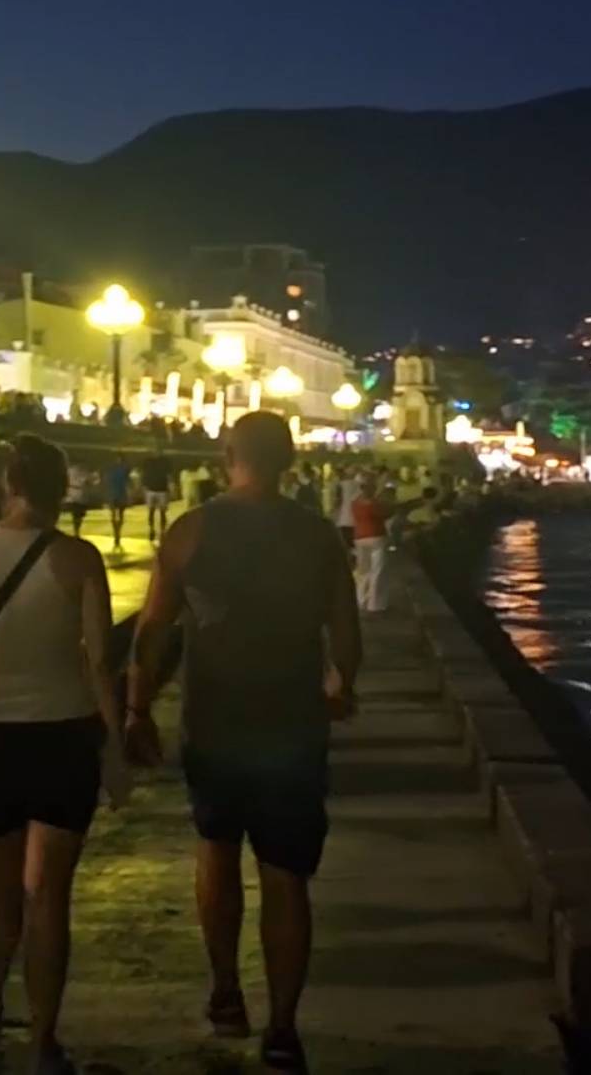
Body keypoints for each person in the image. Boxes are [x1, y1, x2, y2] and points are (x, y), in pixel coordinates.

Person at [124, 412, 362, 1072]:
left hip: (214, 722)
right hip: (292, 725)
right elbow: (345, 633)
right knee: (286, 876)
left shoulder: (190, 530)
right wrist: (342, 685)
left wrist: (137, 707)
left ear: (227, 454)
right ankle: (282, 1028)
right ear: (289, 460)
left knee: (217, 850)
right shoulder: (316, 535)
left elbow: (152, 629)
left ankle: (226, 992)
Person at [0, 434, 127, 1073]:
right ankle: (43, 1039)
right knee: (49, 895)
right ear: (60, 488)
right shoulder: (78, 558)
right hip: (63, 732)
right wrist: (115, 744)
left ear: (6, 484)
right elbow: (99, 661)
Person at [349, 473, 392, 615]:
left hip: (359, 538)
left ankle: (360, 600)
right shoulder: (374, 504)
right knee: (377, 571)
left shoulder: (355, 503)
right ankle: (375, 604)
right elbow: (386, 513)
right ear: (369, 488)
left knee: (363, 571)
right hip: (376, 537)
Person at [139, 445, 175, 542]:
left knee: (161, 512)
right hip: (153, 489)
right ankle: (152, 529)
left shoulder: (164, 462)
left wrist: (171, 487)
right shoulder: (148, 462)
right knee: (152, 511)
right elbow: (144, 474)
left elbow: (169, 476)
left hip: (160, 489)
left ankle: (161, 530)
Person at [101, 454, 133, 548]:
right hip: (121, 495)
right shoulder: (125, 471)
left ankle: (116, 532)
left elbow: (106, 482)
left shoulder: (111, 471)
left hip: (113, 495)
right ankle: (118, 532)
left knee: (114, 515)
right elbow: (128, 483)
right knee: (120, 515)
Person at [61, 456, 95, 538]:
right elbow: (89, 481)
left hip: (72, 494)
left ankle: (76, 531)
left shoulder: (69, 470)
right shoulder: (82, 471)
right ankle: (76, 531)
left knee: (75, 513)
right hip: (78, 495)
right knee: (78, 514)